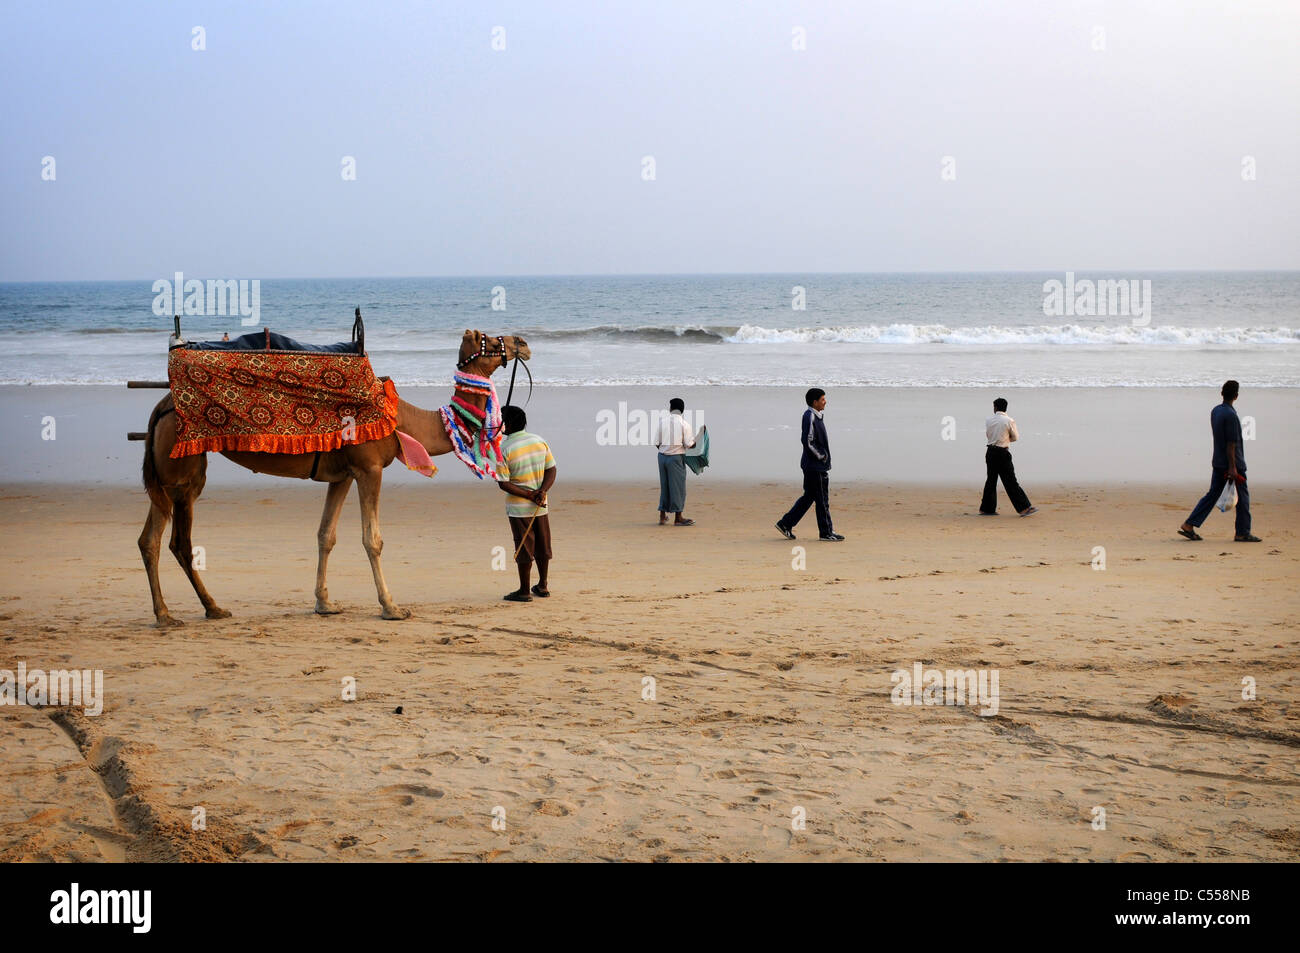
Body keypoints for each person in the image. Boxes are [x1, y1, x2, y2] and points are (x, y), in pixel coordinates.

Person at [1179, 380, 1259, 542]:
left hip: (1218, 461)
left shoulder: (1216, 411)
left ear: (1222, 393)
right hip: (1232, 464)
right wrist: (1233, 467)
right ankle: (1242, 532)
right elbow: (1231, 444)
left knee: (1212, 495)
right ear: (1236, 396)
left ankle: (1189, 524)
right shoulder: (1231, 416)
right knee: (1243, 498)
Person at [496, 405, 557, 602]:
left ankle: (524, 591)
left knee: (523, 547)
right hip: (541, 504)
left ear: (508, 424)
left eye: (501, 420)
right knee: (542, 545)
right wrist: (542, 491)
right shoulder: (539, 440)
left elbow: (503, 483)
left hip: (519, 508)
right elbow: (551, 469)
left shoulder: (504, 449)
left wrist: (529, 495)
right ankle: (543, 585)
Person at [776, 388, 844, 541]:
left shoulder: (816, 416)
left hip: (813, 465)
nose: (825, 402)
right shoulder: (810, 416)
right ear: (815, 402)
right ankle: (826, 533)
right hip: (815, 466)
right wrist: (822, 456)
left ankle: (785, 524)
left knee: (809, 497)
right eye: (822, 399)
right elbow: (808, 441)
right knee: (822, 500)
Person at [979, 398, 1037, 517]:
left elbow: (988, 435)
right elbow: (1015, 437)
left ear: (995, 407)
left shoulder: (988, 420)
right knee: (1010, 482)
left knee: (991, 480)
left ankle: (986, 509)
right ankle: (1024, 508)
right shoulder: (1009, 420)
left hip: (990, 451)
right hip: (1002, 452)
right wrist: (1005, 439)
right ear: (1006, 407)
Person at [653, 397, 696, 525]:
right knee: (678, 487)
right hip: (676, 458)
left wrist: (665, 450)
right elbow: (689, 445)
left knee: (665, 486)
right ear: (682, 410)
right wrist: (697, 440)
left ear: (670, 409)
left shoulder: (662, 422)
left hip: (662, 457)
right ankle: (678, 517)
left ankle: (662, 516)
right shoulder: (685, 424)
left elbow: (656, 443)